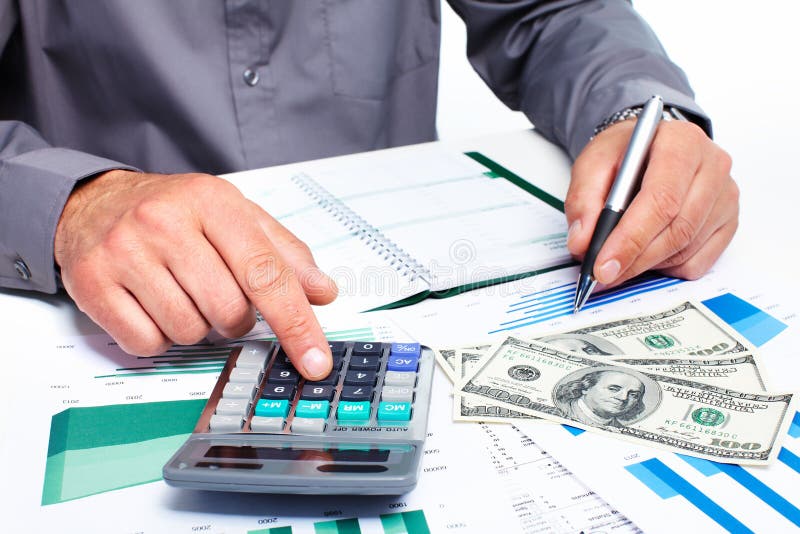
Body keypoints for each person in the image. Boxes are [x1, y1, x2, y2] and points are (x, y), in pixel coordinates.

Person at [0, 1, 739, 380]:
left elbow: (549, 13)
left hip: (417, 305)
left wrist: (638, 110)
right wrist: (73, 204)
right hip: (98, 326)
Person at [554, 369, 648, 427]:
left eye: (634, 395)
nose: (623, 398)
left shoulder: (620, 430)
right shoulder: (558, 410)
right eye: (613, 389)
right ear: (586, 388)